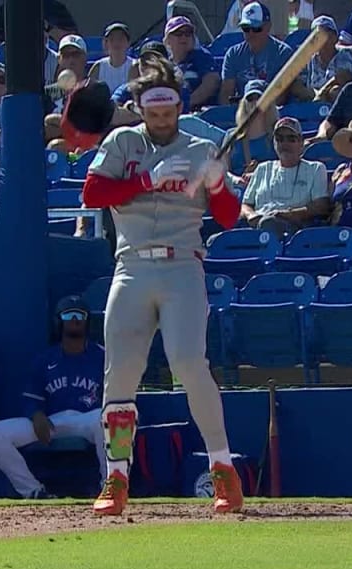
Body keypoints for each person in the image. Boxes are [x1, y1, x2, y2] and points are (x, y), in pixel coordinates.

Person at [80, 58, 244, 516]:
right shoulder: (122, 142)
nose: (161, 119)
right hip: (131, 265)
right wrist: (146, 180)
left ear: (178, 106)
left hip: (182, 267)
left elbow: (229, 217)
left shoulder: (200, 148)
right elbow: (92, 194)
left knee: (190, 362)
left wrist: (217, 183)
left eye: (168, 109)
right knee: (120, 376)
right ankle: (115, 477)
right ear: (140, 108)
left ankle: (223, 469)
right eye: (153, 111)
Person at [0, 296, 106, 499]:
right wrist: (36, 415)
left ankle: (108, 486)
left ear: (87, 321)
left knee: (108, 419)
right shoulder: (45, 359)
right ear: (59, 321)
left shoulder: (102, 356)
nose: (74, 319)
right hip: (52, 421)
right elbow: (30, 398)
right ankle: (33, 491)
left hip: (88, 419)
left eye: (79, 315)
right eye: (68, 315)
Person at [241, 116, 330, 237]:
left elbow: (321, 206)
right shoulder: (262, 168)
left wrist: (289, 214)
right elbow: (246, 204)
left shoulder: (315, 168)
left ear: (301, 142)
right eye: (280, 139)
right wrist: (251, 215)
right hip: (257, 225)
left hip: (294, 228)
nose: (285, 143)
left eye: (291, 139)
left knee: (268, 223)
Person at [219, 2, 295, 105]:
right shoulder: (233, 54)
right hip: (242, 111)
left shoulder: (283, 53)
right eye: (246, 28)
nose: (251, 33)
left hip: (272, 112)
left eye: (256, 28)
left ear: (268, 26)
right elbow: (226, 94)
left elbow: (281, 96)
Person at [162, 16, 220, 111]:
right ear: (167, 40)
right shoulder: (165, 63)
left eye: (188, 33)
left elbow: (212, 82)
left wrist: (186, 103)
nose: (184, 37)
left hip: (198, 113)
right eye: (178, 34)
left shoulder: (202, 57)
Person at [298, 16, 352, 103]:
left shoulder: (344, 54)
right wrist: (313, 94)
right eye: (317, 36)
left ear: (336, 38)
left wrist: (322, 92)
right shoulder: (308, 59)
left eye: (327, 36)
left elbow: (344, 76)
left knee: (335, 91)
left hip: (337, 105)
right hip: (312, 104)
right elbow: (297, 84)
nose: (323, 40)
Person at [228, 80, 279, 177]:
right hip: (237, 187)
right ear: (244, 104)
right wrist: (237, 179)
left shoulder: (278, 134)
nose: (255, 102)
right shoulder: (231, 136)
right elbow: (224, 172)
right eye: (250, 98)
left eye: (259, 98)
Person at [88, 23, 136, 95]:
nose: (116, 43)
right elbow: (89, 93)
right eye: (112, 39)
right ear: (106, 44)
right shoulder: (98, 67)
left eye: (120, 39)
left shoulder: (135, 66)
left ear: (128, 43)